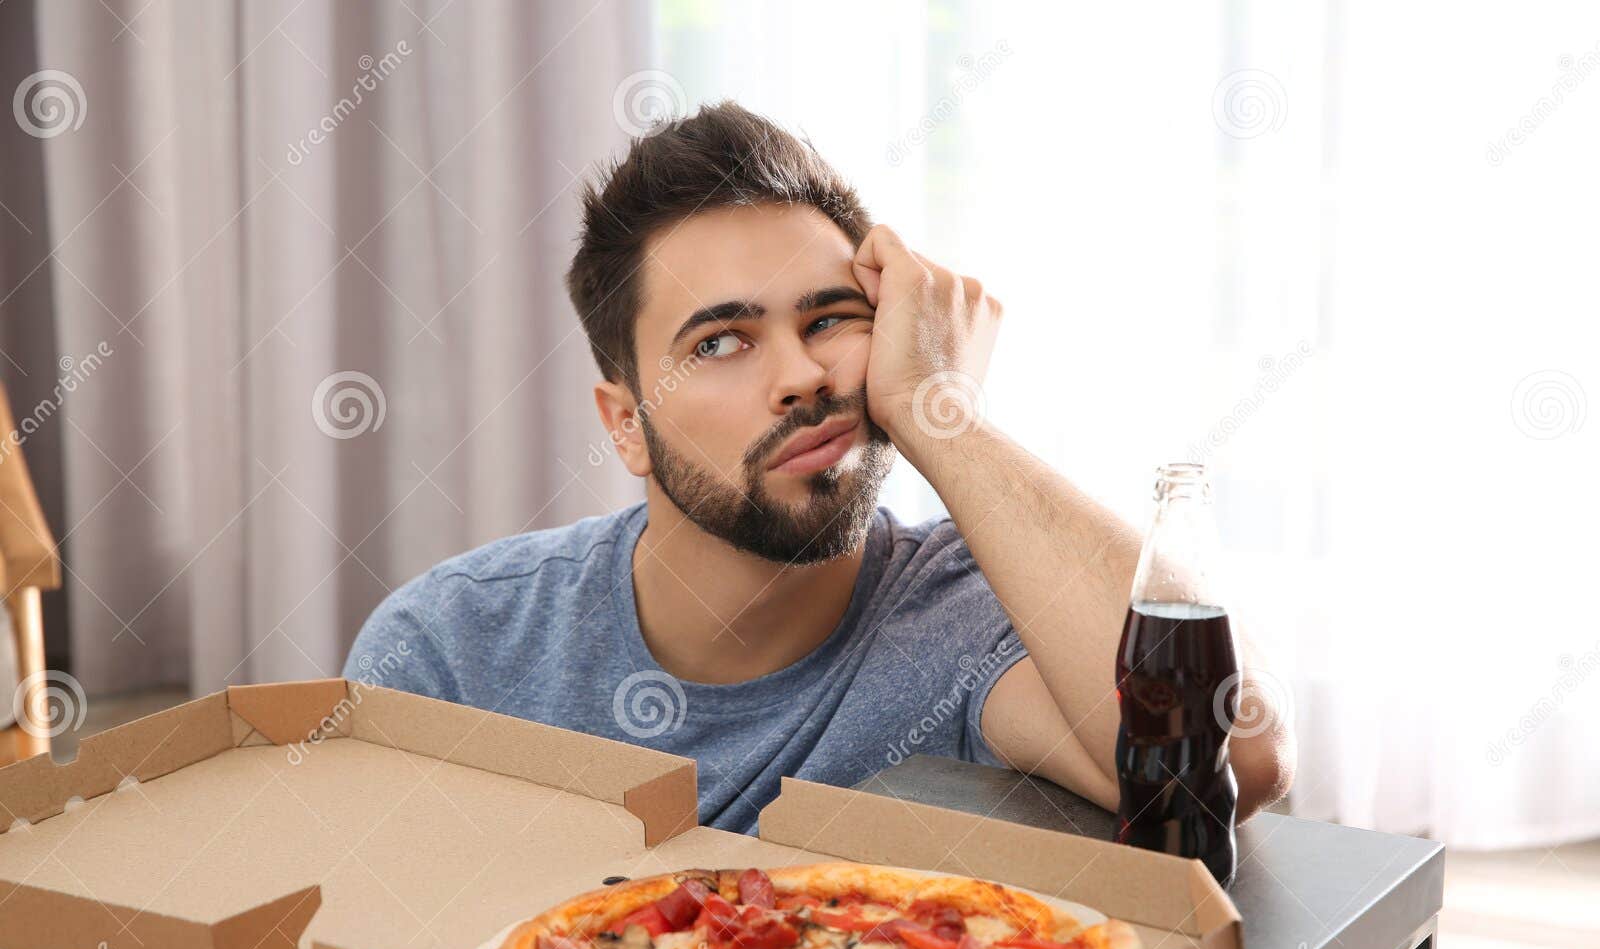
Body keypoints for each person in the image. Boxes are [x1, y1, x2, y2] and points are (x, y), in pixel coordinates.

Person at [344, 101, 1294, 834]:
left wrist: (944, 414)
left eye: (830, 319)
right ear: (626, 425)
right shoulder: (453, 650)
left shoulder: (960, 617)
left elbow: (1233, 757)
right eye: (721, 342)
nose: (801, 376)